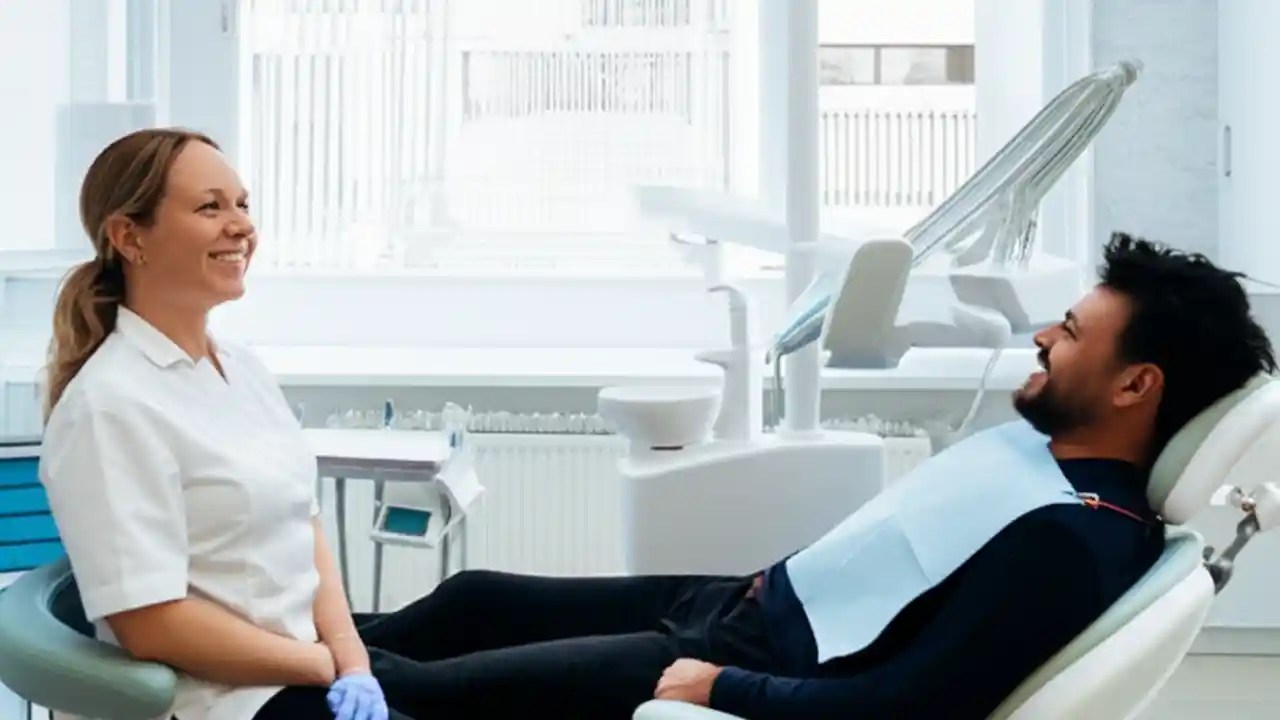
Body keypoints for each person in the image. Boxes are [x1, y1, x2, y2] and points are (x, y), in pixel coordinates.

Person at [35, 124, 1274, 720]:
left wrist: (714, 679)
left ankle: (318, 700)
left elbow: (905, 711)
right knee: (468, 602)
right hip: (741, 596)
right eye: (216, 204)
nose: (1045, 334)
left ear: (1136, 387)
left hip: (753, 651)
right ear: (131, 238)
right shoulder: (1042, 469)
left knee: (410, 684)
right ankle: (329, 666)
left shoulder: (1075, 536)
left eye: (1075, 329)